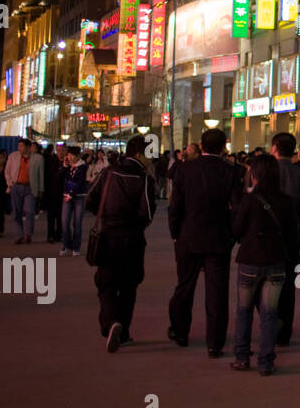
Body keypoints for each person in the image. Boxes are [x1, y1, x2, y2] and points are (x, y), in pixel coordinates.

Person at [168, 128, 244, 358]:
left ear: (201, 146)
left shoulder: (184, 169)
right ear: (223, 148)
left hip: (188, 236)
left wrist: (175, 233)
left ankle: (181, 332)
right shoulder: (230, 171)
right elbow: (237, 207)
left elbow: (175, 206)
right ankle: (215, 342)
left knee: (184, 286)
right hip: (218, 238)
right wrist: (232, 235)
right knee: (217, 292)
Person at [228, 153, 298, 375]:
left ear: (255, 175)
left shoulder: (248, 200)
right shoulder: (287, 202)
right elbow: (293, 235)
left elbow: (236, 230)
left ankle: (242, 357)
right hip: (276, 262)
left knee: (244, 310)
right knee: (269, 313)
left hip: (250, 260)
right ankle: (266, 362)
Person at [88, 137, 156, 353]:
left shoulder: (109, 173)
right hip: (132, 239)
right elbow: (147, 213)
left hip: (107, 235)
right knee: (128, 286)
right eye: (149, 153)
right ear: (138, 154)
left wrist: (106, 215)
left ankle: (110, 323)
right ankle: (123, 331)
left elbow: (90, 199)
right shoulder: (144, 179)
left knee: (106, 283)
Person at [269, 132, 300, 347]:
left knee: (264, 283)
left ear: (274, 148)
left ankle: (269, 324)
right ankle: (284, 331)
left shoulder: (264, 172)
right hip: (293, 237)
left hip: (266, 236)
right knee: (288, 285)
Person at [4, 138, 43, 245]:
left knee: (29, 211)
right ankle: (19, 235)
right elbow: (7, 171)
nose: (19, 148)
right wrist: (10, 184)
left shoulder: (37, 158)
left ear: (28, 147)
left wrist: (40, 189)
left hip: (30, 187)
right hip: (16, 186)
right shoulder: (13, 156)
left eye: (21, 146)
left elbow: (41, 175)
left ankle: (28, 234)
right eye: (19, 146)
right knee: (16, 212)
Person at [59, 146, 88, 258]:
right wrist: (64, 166)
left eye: (72, 155)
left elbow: (80, 182)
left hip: (78, 197)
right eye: (68, 155)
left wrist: (72, 194)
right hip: (66, 196)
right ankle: (66, 244)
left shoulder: (82, 166)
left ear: (77, 156)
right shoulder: (67, 167)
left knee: (77, 223)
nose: (69, 157)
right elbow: (59, 178)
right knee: (64, 222)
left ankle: (76, 247)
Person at [43, 143, 63, 244]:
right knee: (51, 215)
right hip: (52, 192)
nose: (60, 152)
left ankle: (59, 234)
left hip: (63, 193)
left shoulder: (66, 162)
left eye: (62, 150)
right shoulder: (51, 161)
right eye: (58, 150)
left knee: (61, 216)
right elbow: (47, 177)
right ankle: (50, 235)